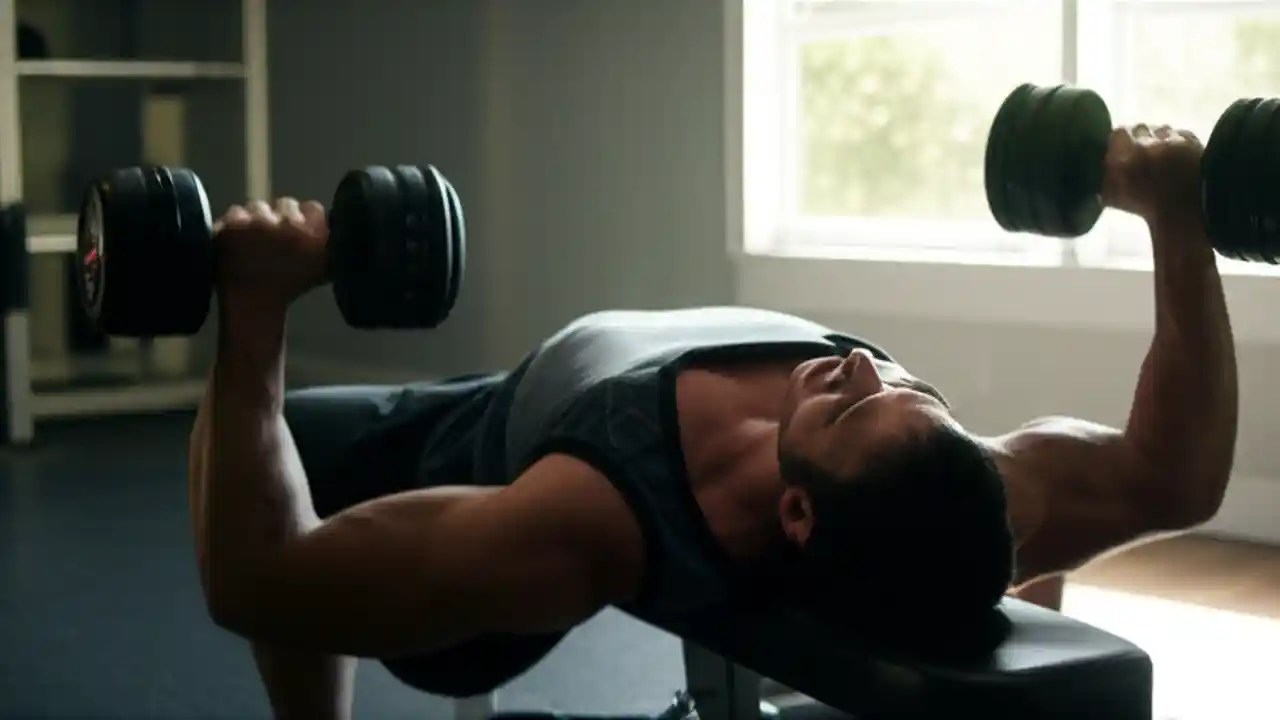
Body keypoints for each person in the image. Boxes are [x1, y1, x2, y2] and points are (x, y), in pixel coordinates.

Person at [188, 122, 1236, 719]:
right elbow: (1174, 477)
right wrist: (1176, 221)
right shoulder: (951, 481)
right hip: (554, 380)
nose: (863, 368)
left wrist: (254, 313)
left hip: (460, 450)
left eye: (852, 407)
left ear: (793, 509)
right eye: (915, 393)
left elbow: (250, 579)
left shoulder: (587, 522)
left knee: (302, 470)